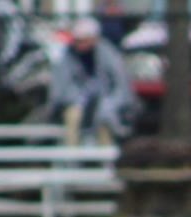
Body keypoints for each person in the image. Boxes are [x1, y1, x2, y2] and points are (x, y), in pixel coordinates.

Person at [49, 17, 135, 147]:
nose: (80, 45)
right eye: (77, 41)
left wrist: (109, 104)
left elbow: (121, 86)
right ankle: (72, 155)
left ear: (94, 39)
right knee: (74, 115)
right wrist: (79, 100)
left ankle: (104, 156)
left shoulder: (108, 54)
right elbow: (60, 90)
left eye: (84, 41)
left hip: (106, 104)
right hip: (77, 103)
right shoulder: (68, 56)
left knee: (104, 118)